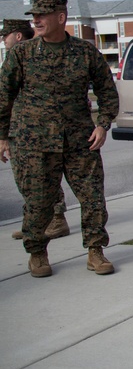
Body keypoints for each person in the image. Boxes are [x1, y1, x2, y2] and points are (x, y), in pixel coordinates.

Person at [0, 0, 119, 277]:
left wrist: (103, 125)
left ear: (61, 17)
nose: (36, 21)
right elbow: (3, 97)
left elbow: (107, 92)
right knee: (39, 203)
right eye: (34, 16)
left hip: (81, 140)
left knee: (93, 198)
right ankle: (37, 252)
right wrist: (3, 137)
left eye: (42, 16)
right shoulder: (21, 54)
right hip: (34, 142)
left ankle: (95, 251)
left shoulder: (85, 52)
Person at [2, 18, 72, 241]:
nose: (4, 41)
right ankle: (32, 222)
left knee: (45, 176)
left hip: (37, 129)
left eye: (6, 36)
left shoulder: (35, 56)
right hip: (18, 127)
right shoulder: (15, 57)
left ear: (18, 36)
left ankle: (56, 219)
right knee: (26, 179)